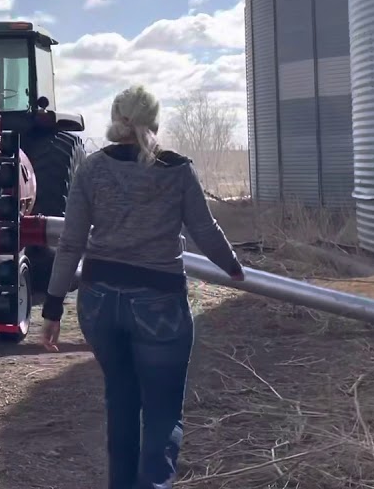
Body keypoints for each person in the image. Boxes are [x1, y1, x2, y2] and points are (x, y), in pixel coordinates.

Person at [39, 85, 246, 489]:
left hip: (98, 301)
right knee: (162, 412)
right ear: (154, 121)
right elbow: (205, 230)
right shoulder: (176, 170)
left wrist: (51, 307)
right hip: (158, 303)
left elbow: (71, 242)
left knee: (121, 402)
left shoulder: (92, 168)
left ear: (117, 118)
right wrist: (233, 268)